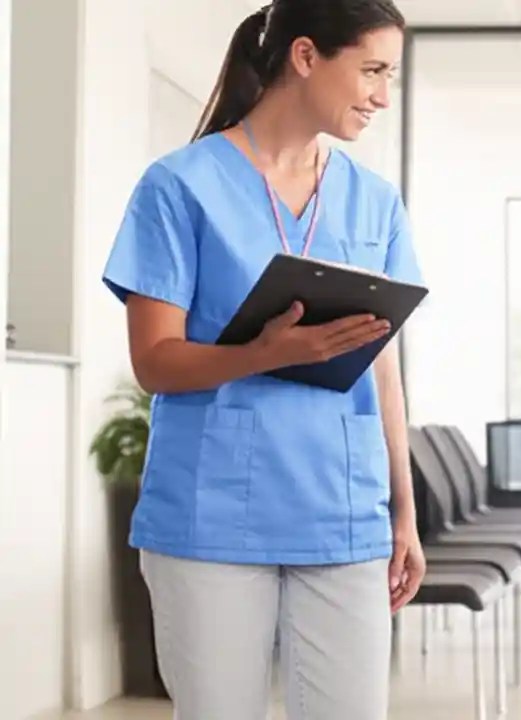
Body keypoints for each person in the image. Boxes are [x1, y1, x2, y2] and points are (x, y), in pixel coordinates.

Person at [100, 2, 424, 718]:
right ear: (306, 56)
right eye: (371, 70)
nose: (381, 95)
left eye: (391, 75)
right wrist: (263, 353)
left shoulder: (374, 203)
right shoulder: (179, 186)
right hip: (212, 516)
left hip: (343, 513)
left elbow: (383, 369)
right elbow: (154, 361)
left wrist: (404, 511)